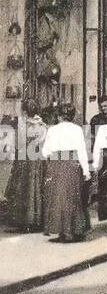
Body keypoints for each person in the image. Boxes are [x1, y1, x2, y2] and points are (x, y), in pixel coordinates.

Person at [41, 104, 91, 242]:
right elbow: (81, 151)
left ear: (59, 115)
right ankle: (73, 230)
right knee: (72, 197)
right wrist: (86, 170)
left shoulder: (52, 130)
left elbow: (45, 151)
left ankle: (62, 232)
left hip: (56, 164)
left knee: (56, 197)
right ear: (72, 115)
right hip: (72, 163)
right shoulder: (77, 129)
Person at [3, 99, 46, 232]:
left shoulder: (23, 125)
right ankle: (37, 221)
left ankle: (24, 222)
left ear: (25, 111)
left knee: (23, 189)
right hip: (38, 160)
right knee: (36, 189)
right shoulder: (43, 125)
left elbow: (17, 145)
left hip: (24, 160)